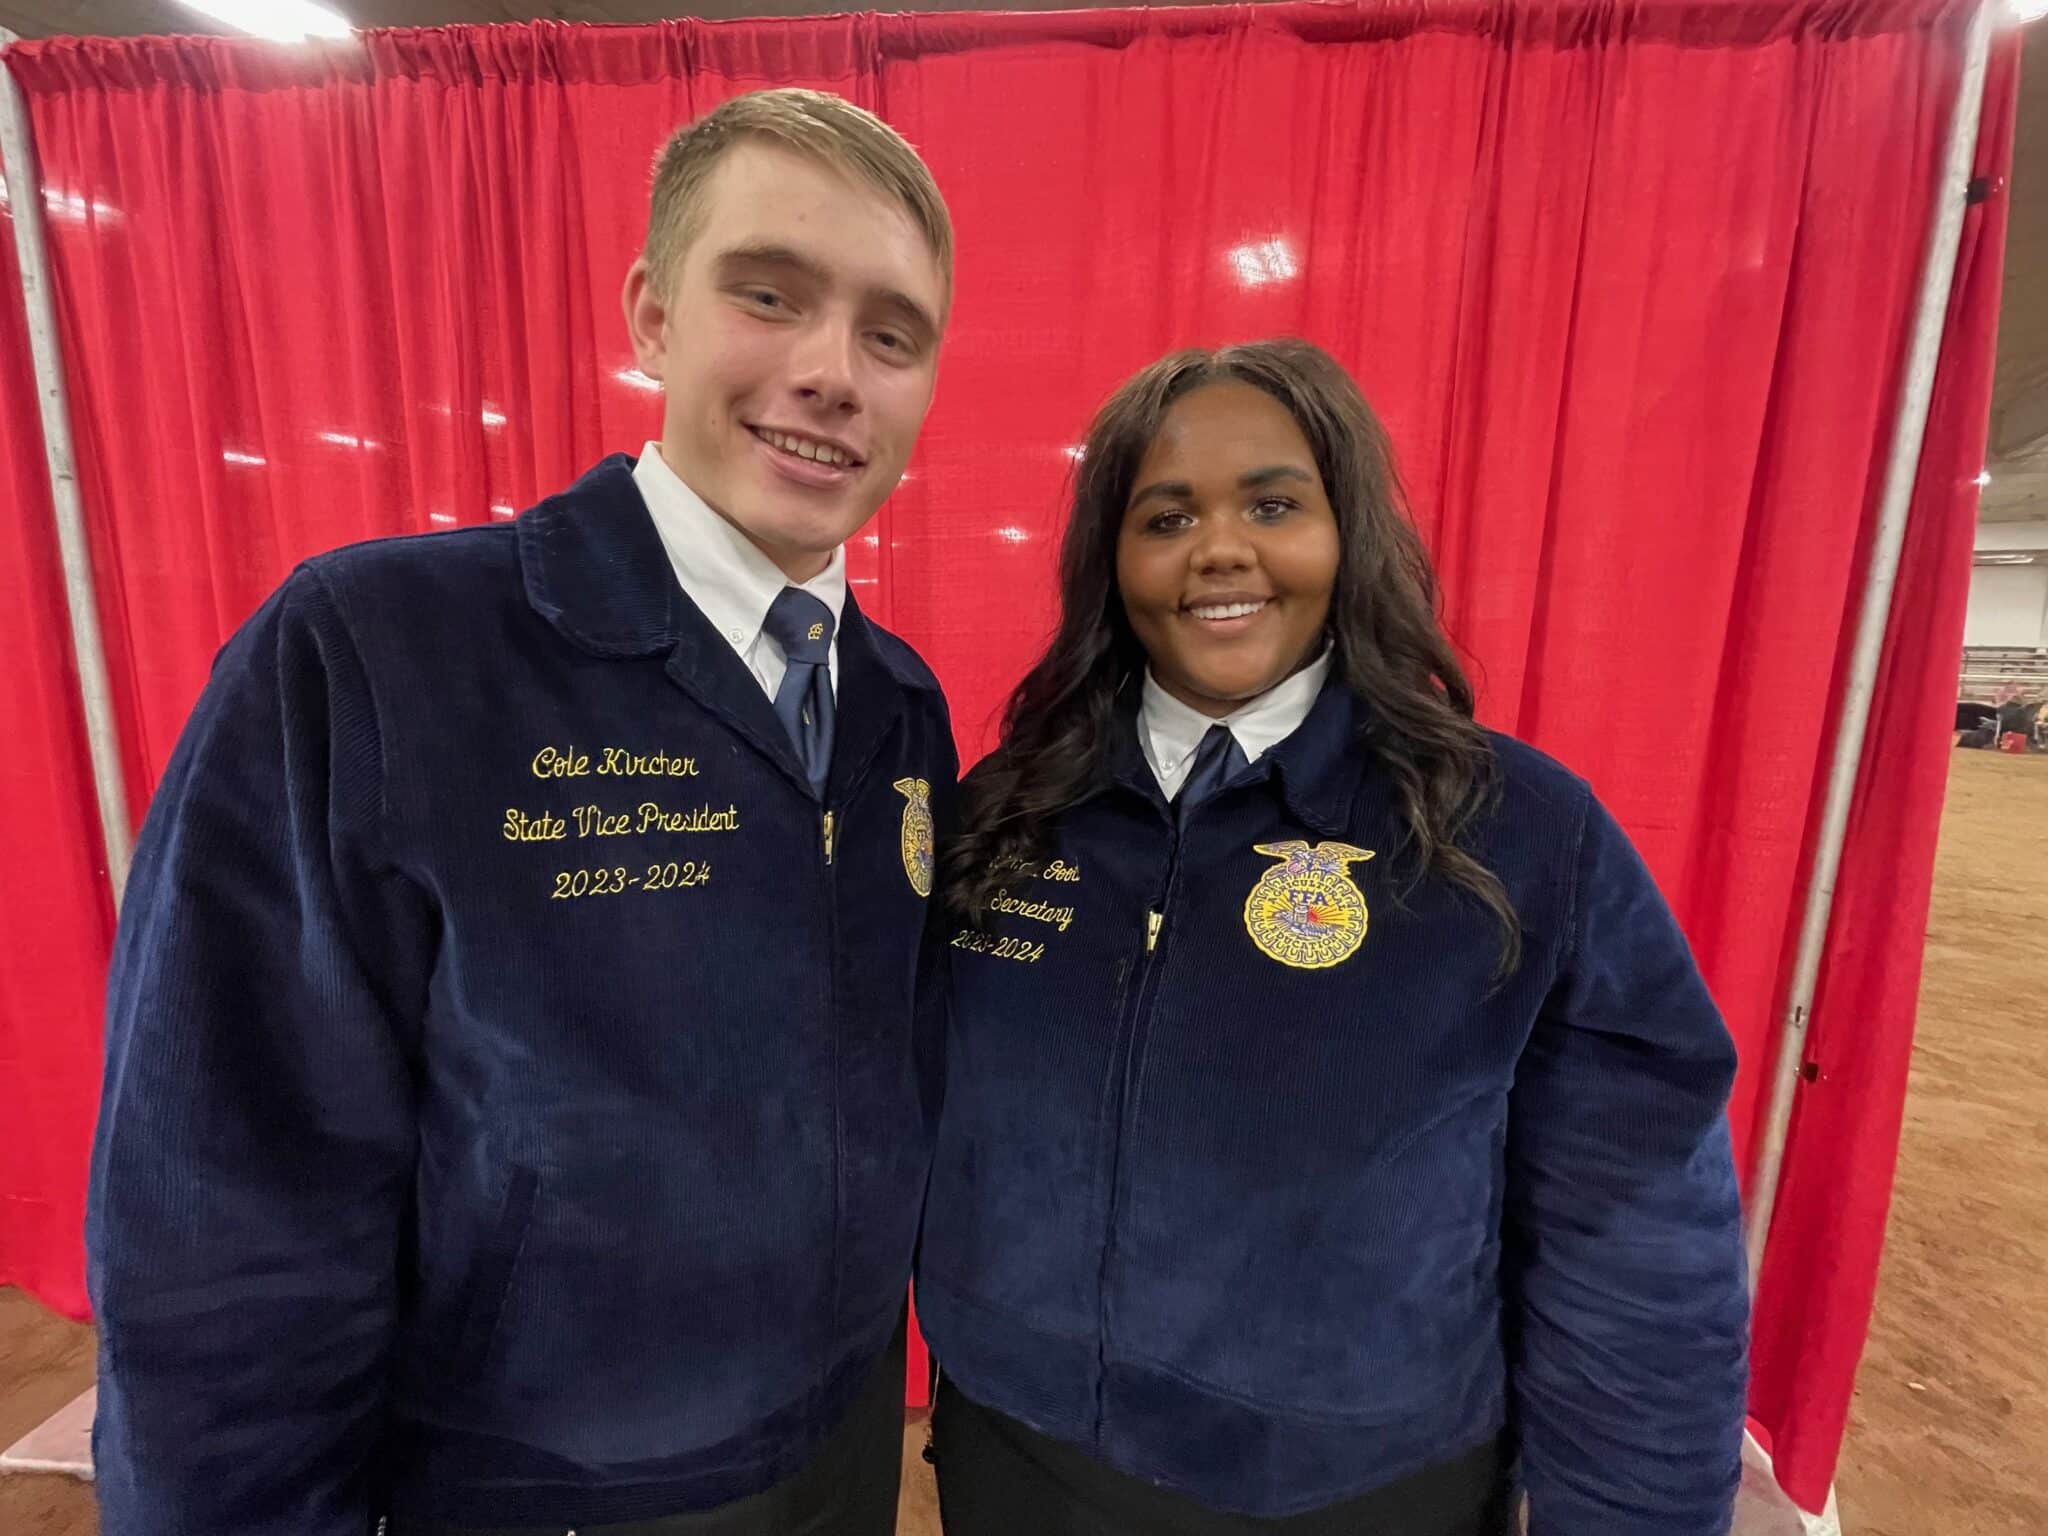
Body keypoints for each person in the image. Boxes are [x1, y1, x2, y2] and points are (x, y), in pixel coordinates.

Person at [89, 89, 956, 1536]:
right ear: (652, 316)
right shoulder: (380, 653)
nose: (832, 372)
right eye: (768, 294)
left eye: (891, 333)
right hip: (532, 1493)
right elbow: (225, 1209)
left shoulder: (897, 706)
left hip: (840, 1460)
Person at [918, 339, 1750, 1535]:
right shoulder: (1007, 810)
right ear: (1110, 558)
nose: (1219, 548)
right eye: (1164, 516)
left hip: (1355, 1494)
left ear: (1345, 527)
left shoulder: (1514, 834)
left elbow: (1633, 1231)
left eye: (1271, 503)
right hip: (1020, 1462)